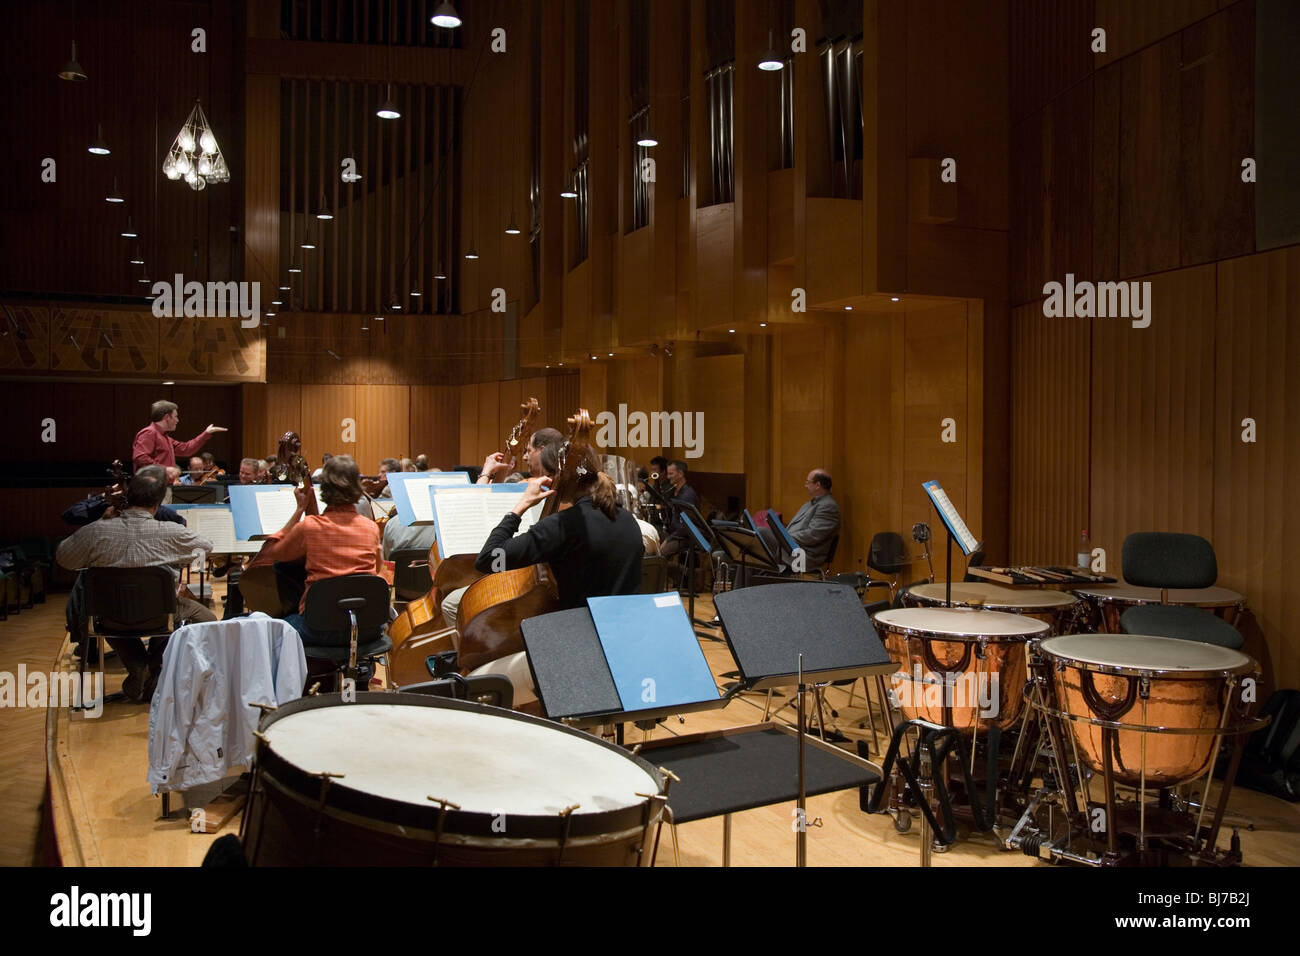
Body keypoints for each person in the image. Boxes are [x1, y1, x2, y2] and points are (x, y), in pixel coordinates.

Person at [55, 465, 217, 701]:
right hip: (158, 614)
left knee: (106, 608)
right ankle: (156, 665)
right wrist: (174, 557)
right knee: (206, 618)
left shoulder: (96, 530)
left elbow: (64, 557)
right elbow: (206, 546)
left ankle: (136, 663)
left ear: (127, 497)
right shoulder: (170, 531)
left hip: (109, 616)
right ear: (158, 503)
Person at [472, 446, 643, 611]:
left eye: (547, 474)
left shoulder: (561, 526)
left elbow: (489, 559)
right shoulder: (628, 519)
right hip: (624, 630)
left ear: (559, 477)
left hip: (580, 632)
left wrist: (521, 505)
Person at [254, 455, 382, 654]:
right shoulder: (371, 528)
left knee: (276, 629)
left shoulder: (310, 527)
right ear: (357, 487)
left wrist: (299, 510)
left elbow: (273, 553)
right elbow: (377, 570)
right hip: (366, 628)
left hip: (318, 629)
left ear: (325, 488)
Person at [760, 469, 841, 571]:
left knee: (761, 534)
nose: (805, 486)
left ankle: (743, 585)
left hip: (804, 555)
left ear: (817, 485)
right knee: (751, 551)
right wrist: (782, 534)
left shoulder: (828, 507)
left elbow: (813, 535)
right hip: (791, 547)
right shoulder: (810, 504)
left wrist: (784, 537)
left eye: (808, 482)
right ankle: (744, 585)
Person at [131, 400, 226, 471]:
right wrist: (166, 469)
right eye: (175, 416)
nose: (177, 420)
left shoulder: (165, 437)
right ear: (167, 417)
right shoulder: (149, 433)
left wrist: (206, 433)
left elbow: (186, 449)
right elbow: (140, 458)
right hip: (151, 488)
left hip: (161, 486)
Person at [658, 460, 701, 558]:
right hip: (674, 533)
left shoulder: (687, 496)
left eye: (671, 474)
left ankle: (675, 571)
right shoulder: (674, 490)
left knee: (660, 554)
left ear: (680, 474)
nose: (668, 477)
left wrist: (668, 539)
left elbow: (686, 526)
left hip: (684, 537)